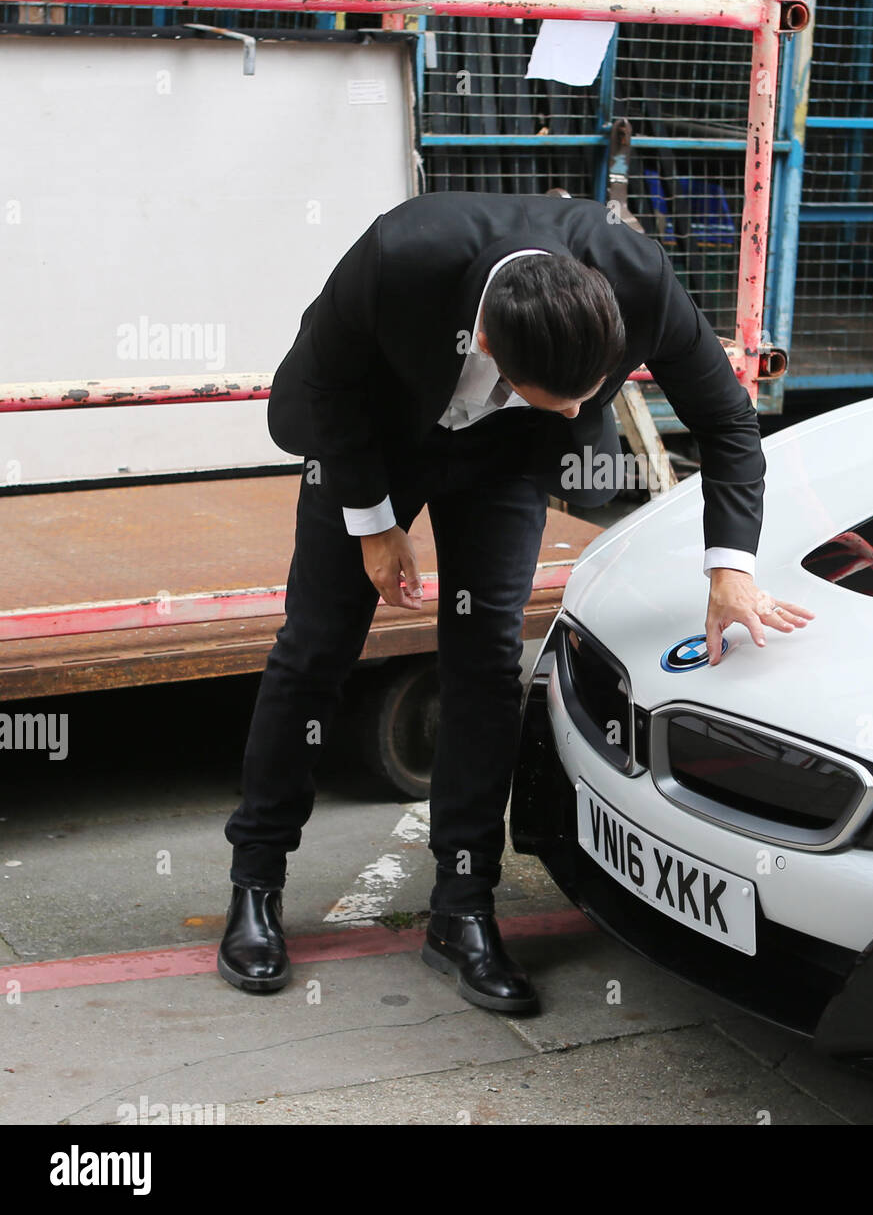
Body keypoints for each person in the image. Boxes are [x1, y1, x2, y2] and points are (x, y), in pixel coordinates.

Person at [216, 190, 813, 1013]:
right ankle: (257, 880)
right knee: (315, 651)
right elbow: (325, 390)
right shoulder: (401, 258)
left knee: (489, 663)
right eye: (561, 395)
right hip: (376, 442)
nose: (580, 414)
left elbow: (727, 424)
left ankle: (461, 910)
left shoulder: (634, 275)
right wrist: (373, 523)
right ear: (489, 343)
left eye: (589, 394)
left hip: (508, 459)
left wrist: (730, 566)